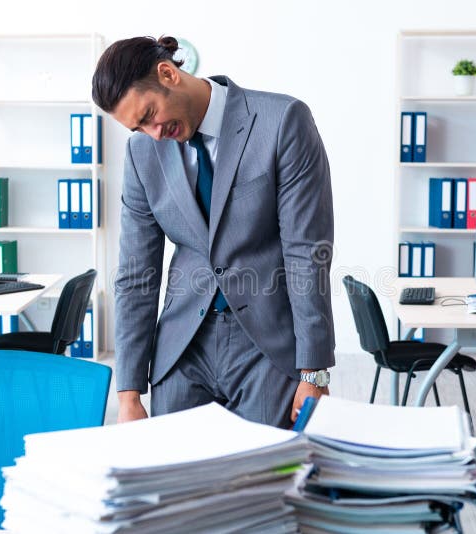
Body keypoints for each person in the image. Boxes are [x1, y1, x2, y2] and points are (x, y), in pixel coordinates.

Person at [92, 36, 335, 429]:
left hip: (265, 346)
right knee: (174, 468)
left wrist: (314, 372)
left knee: (262, 467)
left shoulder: (282, 121)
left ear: (168, 74)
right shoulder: (142, 152)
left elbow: (306, 254)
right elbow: (137, 274)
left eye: (150, 114)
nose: (154, 133)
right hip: (181, 348)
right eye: (139, 126)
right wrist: (129, 394)